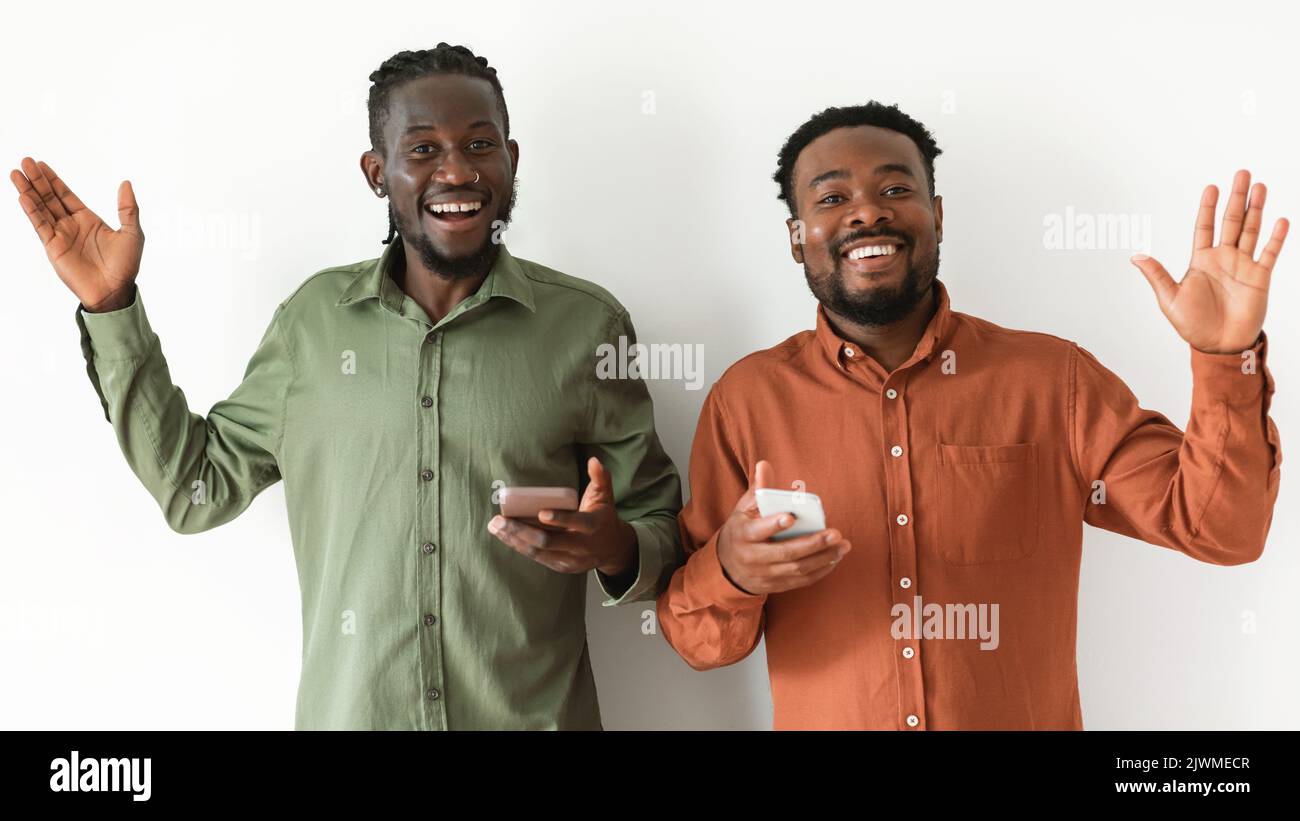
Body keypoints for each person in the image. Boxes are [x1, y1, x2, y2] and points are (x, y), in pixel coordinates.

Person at [11, 44, 682, 730]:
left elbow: (665, 528)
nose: (457, 169)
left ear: (511, 158)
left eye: (479, 144)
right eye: (422, 150)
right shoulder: (310, 327)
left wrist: (616, 547)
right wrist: (112, 307)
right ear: (376, 172)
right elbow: (194, 490)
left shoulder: (588, 327)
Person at [655, 102, 1285, 730]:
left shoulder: (1052, 381)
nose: (867, 211)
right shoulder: (746, 401)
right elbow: (699, 643)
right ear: (797, 239)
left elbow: (1220, 532)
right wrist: (732, 572)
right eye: (830, 198)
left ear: (936, 215)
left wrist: (1225, 357)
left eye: (895, 188)